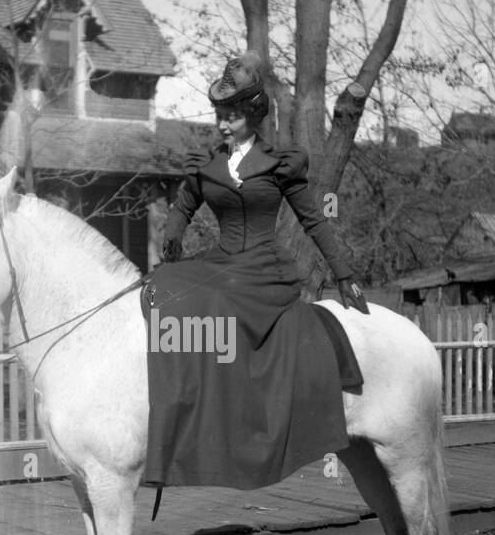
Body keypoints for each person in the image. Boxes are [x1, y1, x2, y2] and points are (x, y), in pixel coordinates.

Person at [142, 51, 366, 490]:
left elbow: (313, 220)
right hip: (222, 263)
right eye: (219, 116)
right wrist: (172, 239)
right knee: (163, 289)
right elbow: (182, 208)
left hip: (263, 270)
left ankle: (246, 416)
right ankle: (191, 417)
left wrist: (343, 273)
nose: (223, 124)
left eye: (232, 117)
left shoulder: (280, 164)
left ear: (252, 115)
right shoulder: (207, 166)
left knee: (217, 301)